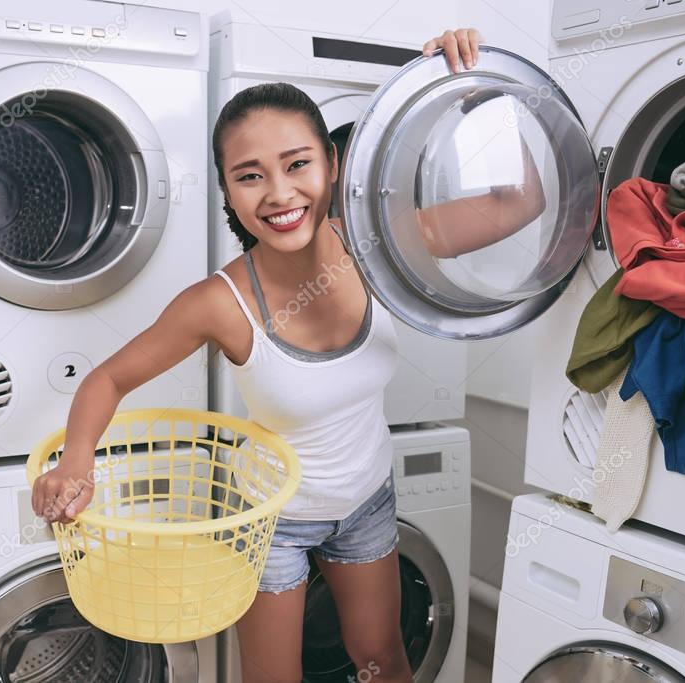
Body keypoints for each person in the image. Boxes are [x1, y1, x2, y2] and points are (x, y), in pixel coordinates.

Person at [32, 28, 524, 683]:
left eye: (297, 164)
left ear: (331, 162)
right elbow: (110, 376)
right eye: (249, 175)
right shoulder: (217, 303)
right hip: (272, 521)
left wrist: (472, 90)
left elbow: (519, 203)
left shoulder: (384, 242)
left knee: (384, 660)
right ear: (229, 192)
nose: (279, 193)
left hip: (366, 498)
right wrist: (74, 462)